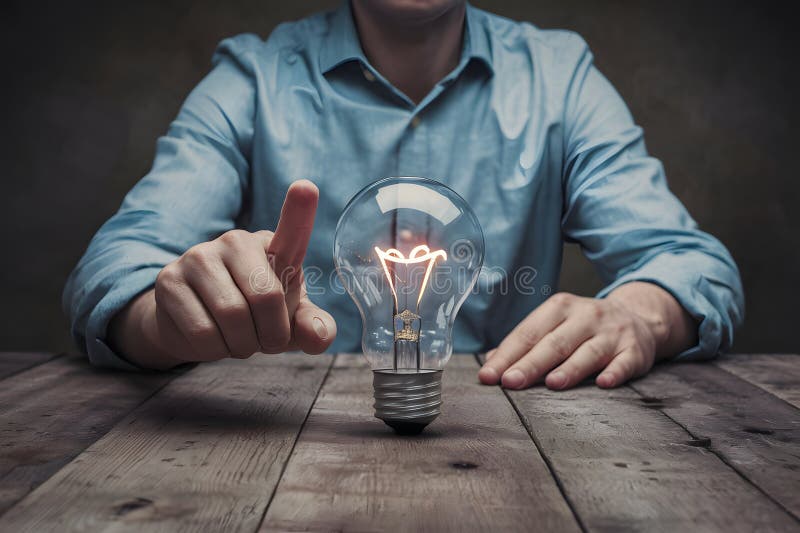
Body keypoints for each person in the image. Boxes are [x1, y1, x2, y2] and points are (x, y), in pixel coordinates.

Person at [63, 0, 744, 391]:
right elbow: (114, 269)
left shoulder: (558, 78)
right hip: (279, 440)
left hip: (507, 428)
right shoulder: (255, 79)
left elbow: (691, 264)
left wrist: (639, 315)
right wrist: (167, 319)